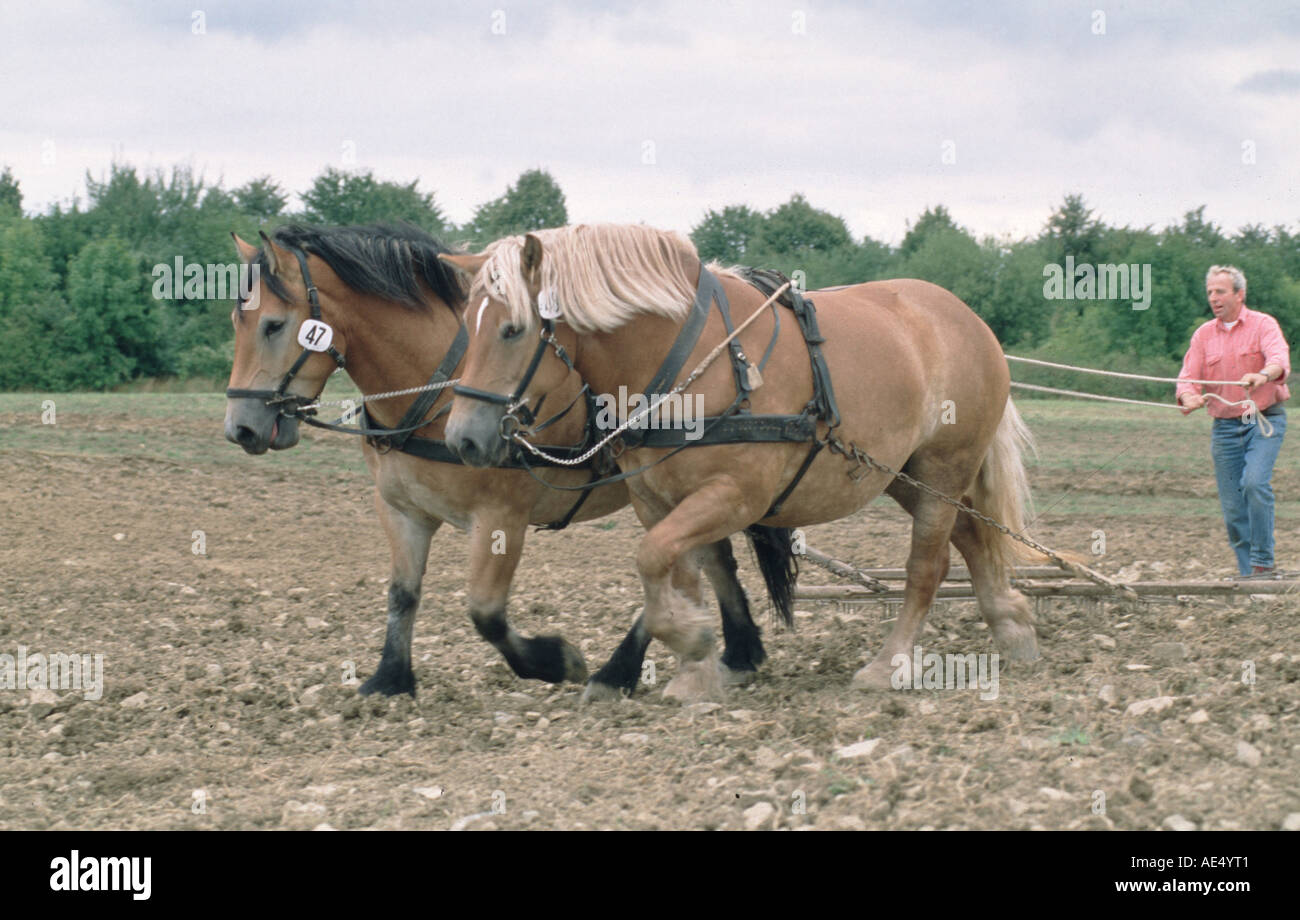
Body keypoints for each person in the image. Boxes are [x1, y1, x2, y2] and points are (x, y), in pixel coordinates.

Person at [1177, 265, 1290, 576]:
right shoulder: (1203, 335)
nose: (1214, 298)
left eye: (1221, 291)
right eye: (1210, 292)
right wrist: (1189, 397)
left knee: (1254, 484)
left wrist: (1262, 374)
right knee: (1232, 509)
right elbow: (1187, 379)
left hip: (1263, 419)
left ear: (1239, 295)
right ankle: (1248, 577)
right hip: (1225, 427)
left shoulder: (1263, 325)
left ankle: (1262, 566)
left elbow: (1279, 360)